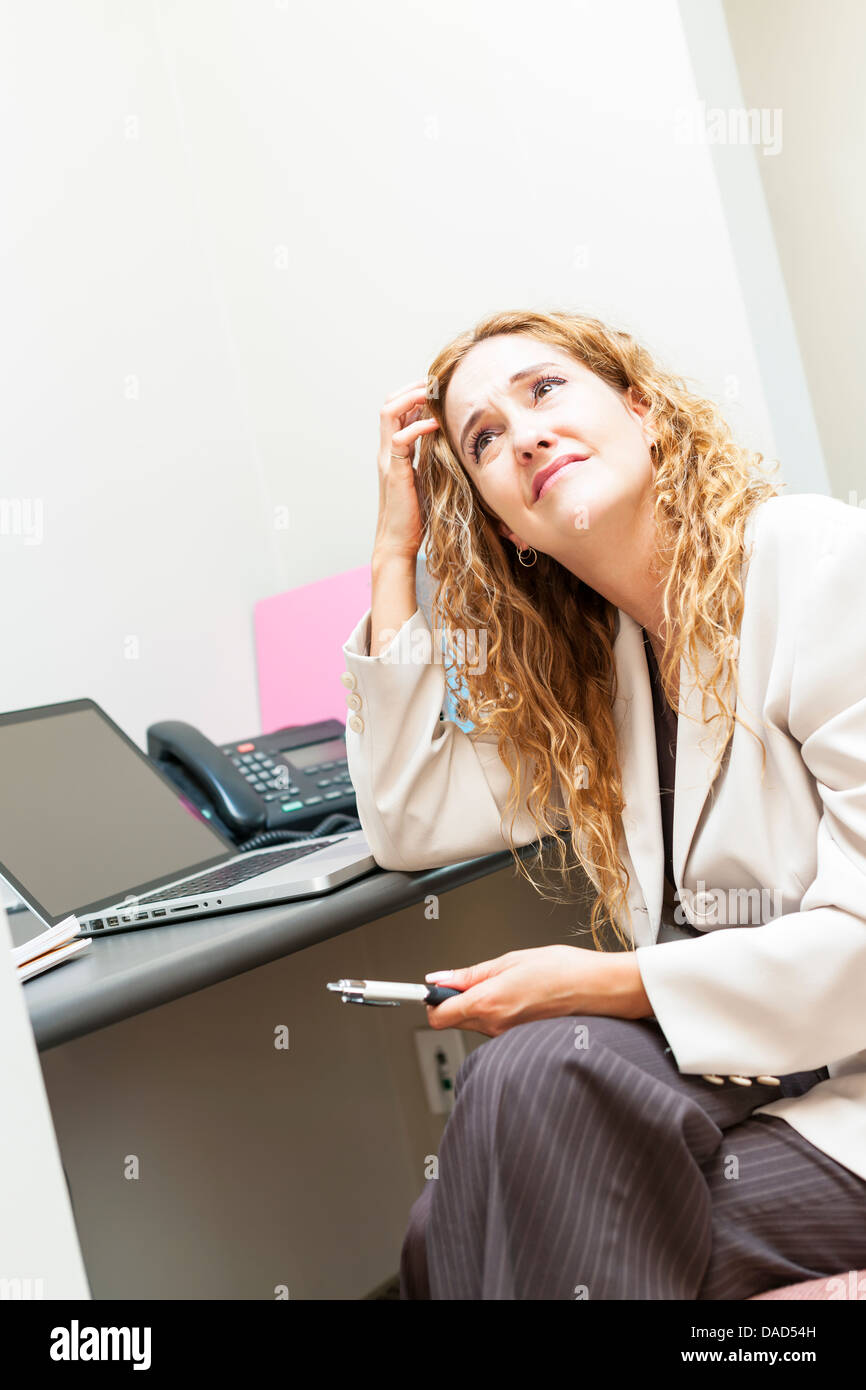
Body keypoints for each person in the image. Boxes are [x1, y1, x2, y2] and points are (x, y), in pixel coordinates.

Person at [339, 309, 866, 1299]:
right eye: (483, 438)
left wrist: (601, 982)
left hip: (847, 1079)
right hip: (753, 1067)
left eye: (544, 391)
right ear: (504, 523)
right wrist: (392, 551)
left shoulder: (819, 565)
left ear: (644, 412)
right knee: (492, 1154)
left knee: (489, 1206)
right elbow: (408, 822)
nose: (523, 431)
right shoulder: (602, 675)